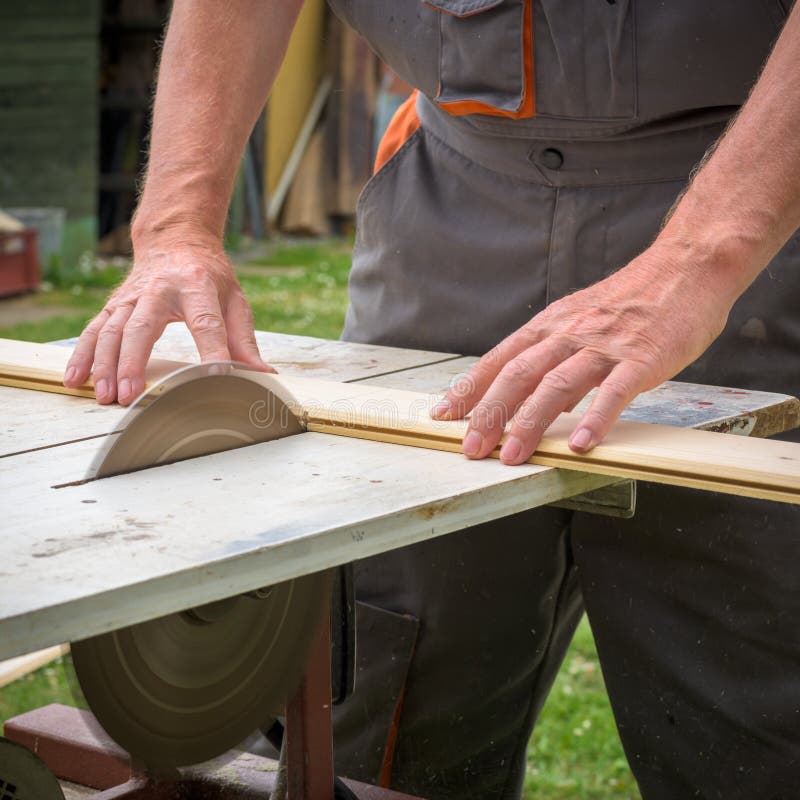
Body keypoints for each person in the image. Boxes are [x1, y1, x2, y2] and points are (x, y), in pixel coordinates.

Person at [64, 2, 800, 798]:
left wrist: (704, 257)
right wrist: (176, 223)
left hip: (762, 204)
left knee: (756, 679)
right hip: (453, 202)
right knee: (380, 692)